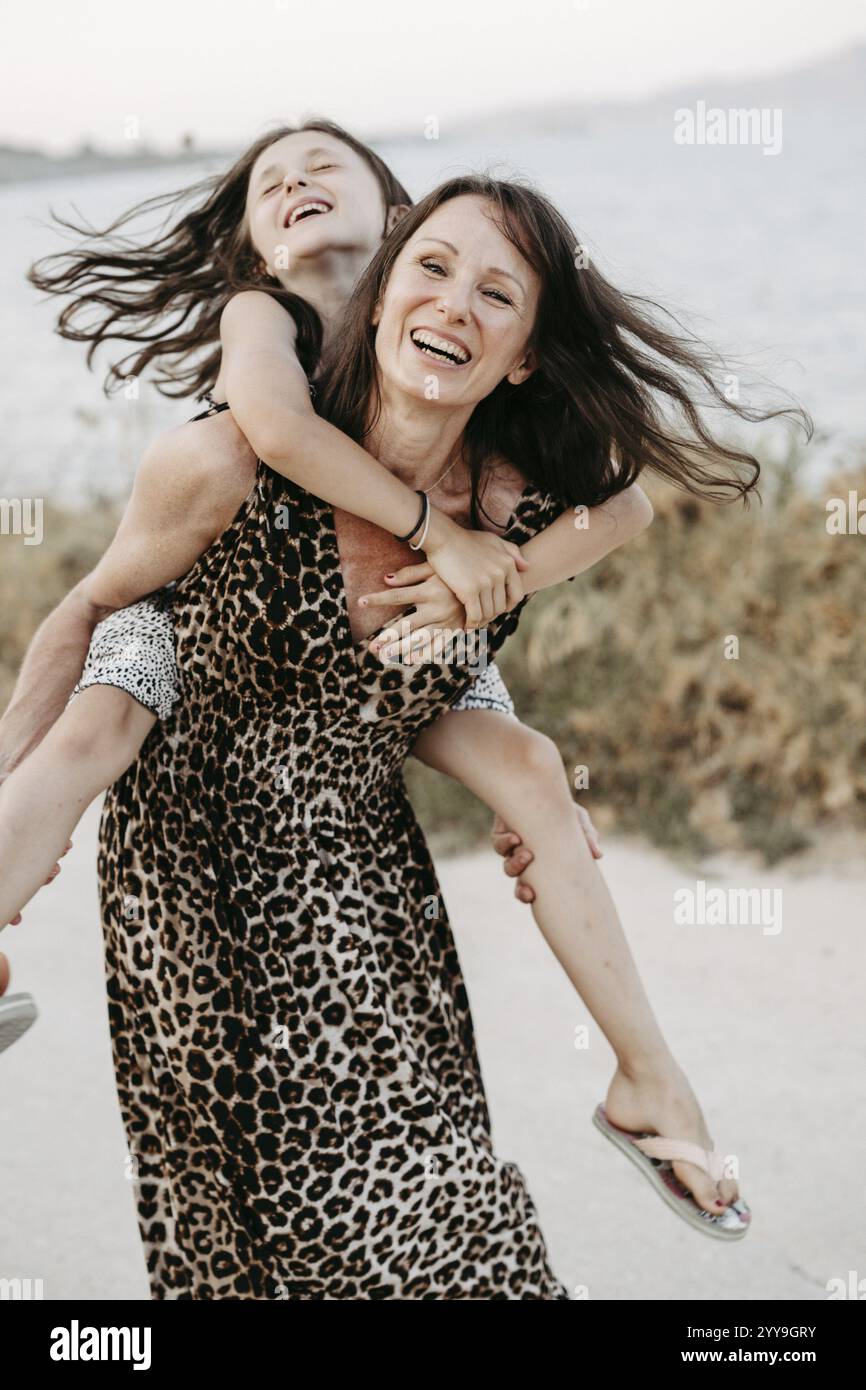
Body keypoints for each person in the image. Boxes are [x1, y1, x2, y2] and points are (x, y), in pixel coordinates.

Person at [1, 162, 806, 1293]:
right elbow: (95, 610)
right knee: (265, 1229)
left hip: (361, 853)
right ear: (378, 296)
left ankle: (646, 1084)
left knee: (444, 1186)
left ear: (523, 350)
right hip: (198, 859)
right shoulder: (231, 456)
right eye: (430, 269)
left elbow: (628, 500)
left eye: (497, 295)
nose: (454, 306)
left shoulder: (512, 492)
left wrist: (496, 567)